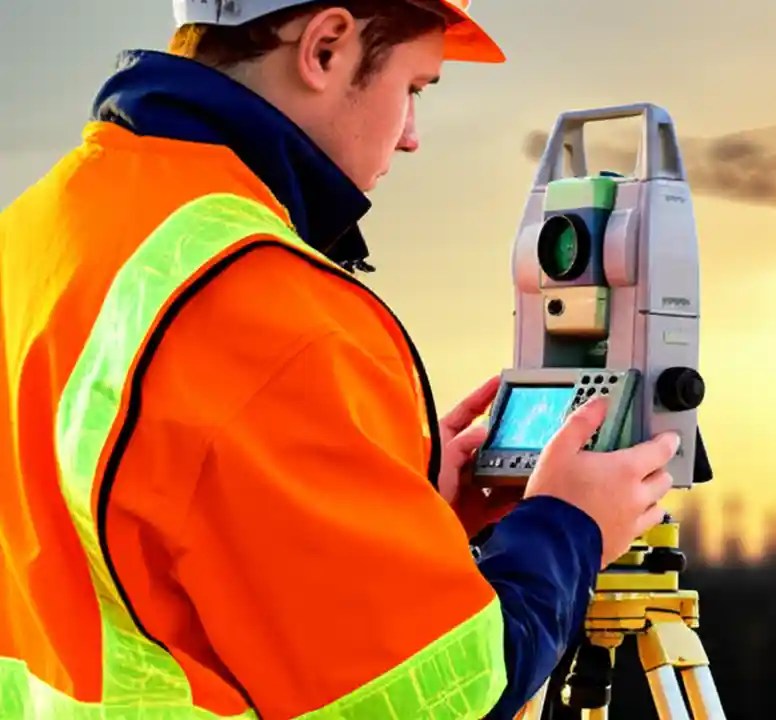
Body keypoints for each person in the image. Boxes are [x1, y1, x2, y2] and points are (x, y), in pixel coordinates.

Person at [0, 1, 680, 718]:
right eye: (413, 89)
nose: (411, 137)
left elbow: (137, 541)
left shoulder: (38, 232)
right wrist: (568, 528)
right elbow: (437, 701)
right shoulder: (263, 305)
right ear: (325, 47)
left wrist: (381, 508)